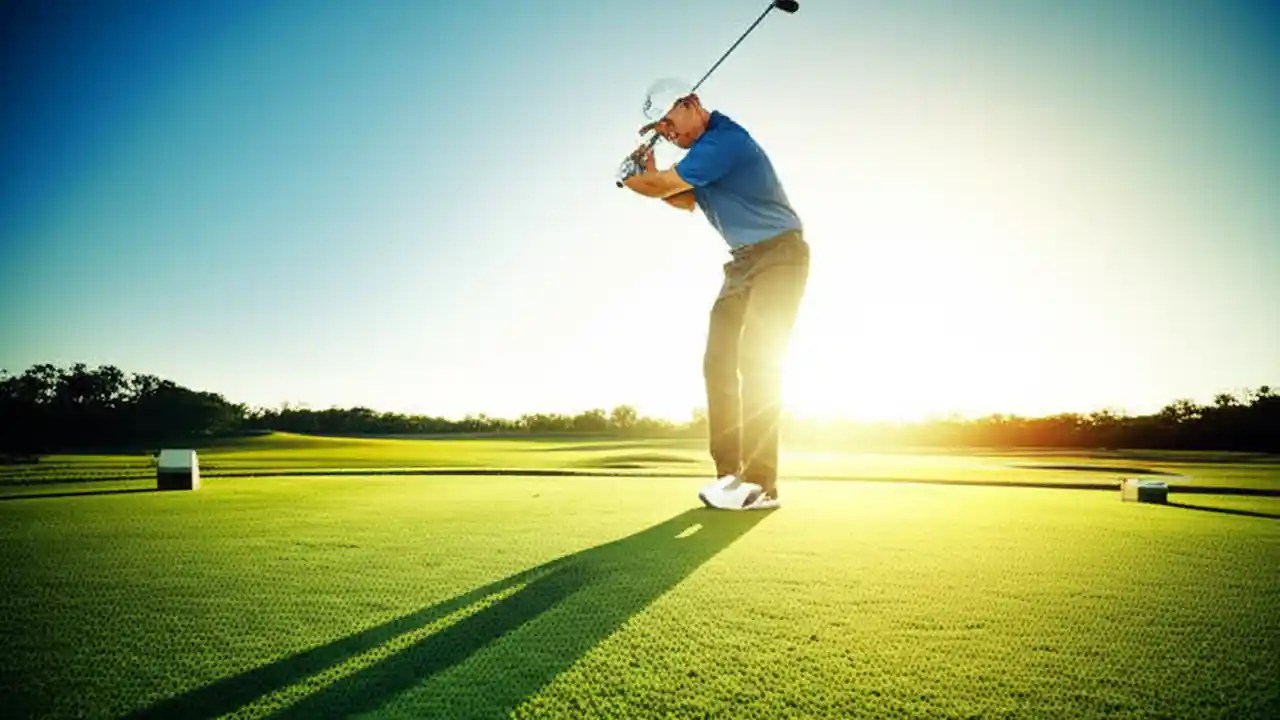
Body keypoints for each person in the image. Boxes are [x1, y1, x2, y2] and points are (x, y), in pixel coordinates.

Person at [622, 93, 809, 511]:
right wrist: (649, 177)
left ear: (693, 103)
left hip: (780, 254)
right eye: (662, 132)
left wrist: (634, 180)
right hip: (742, 263)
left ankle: (763, 485)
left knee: (757, 358)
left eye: (670, 123)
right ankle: (729, 474)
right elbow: (684, 198)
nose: (669, 134)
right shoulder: (700, 157)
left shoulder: (723, 142)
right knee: (718, 361)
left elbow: (668, 185)